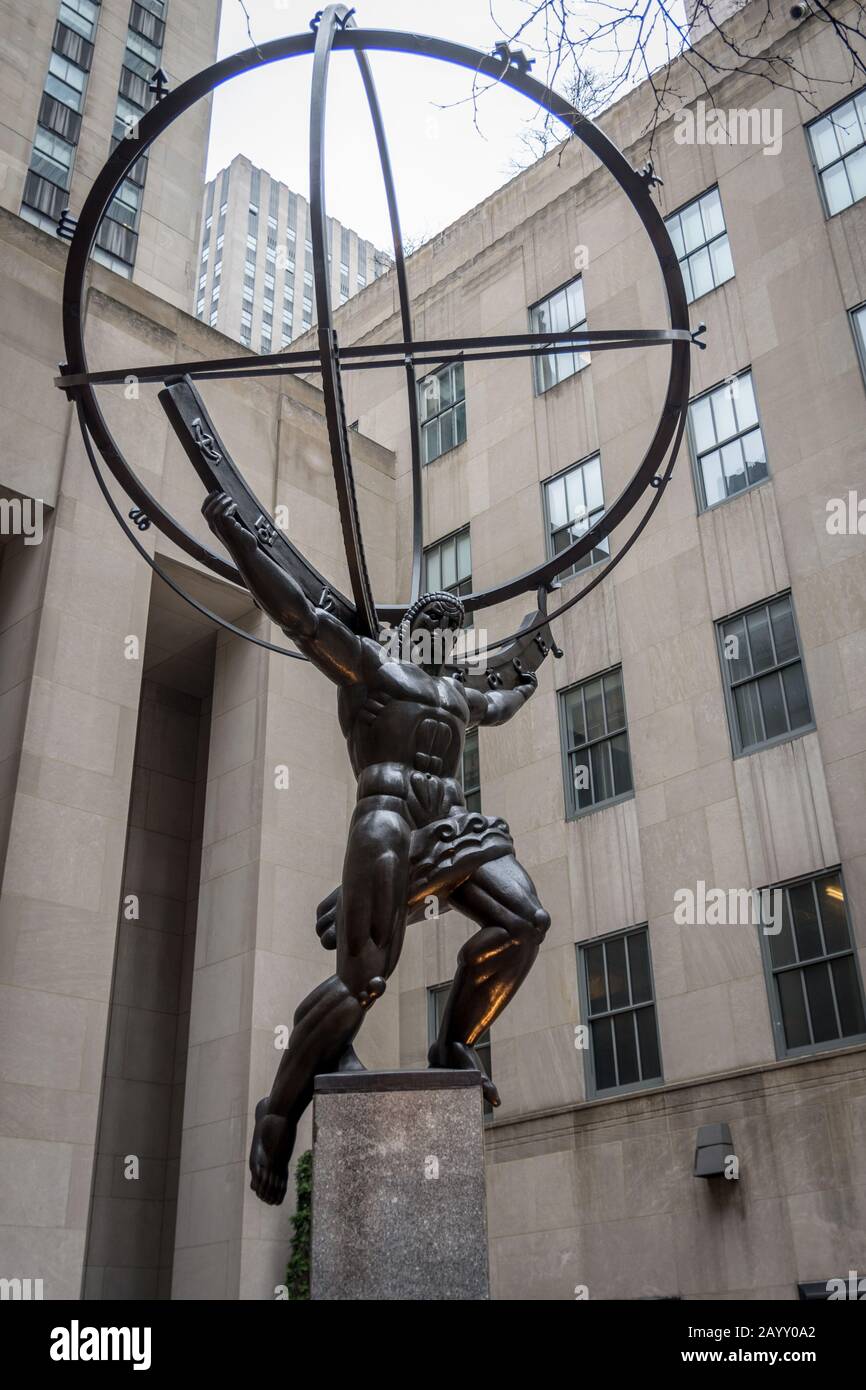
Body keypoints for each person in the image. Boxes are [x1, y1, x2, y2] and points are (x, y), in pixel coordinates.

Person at [203, 491, 551, 1205]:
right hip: (388, 822)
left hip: (453, 832)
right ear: (408, 630)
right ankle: (278, 1113)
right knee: (363, 982)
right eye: (431, 622)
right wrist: (238, 541)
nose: (442, 632)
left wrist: (531, 648)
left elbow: (507, 696)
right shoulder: (368, 667)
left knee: (525, 923)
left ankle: (453, 1041)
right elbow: (298, 617)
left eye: (451, 626)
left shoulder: (457, 696)